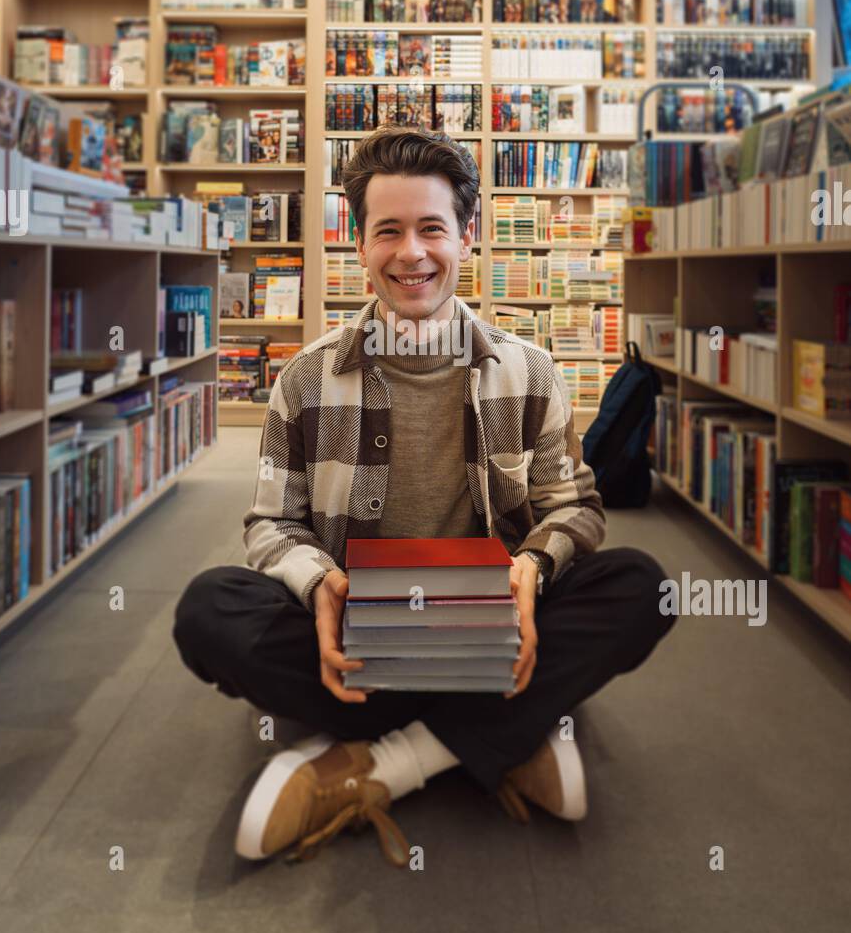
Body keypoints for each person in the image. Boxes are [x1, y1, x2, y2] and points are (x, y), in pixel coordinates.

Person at [174, 125, 674, 868]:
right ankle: (503, 734)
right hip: (358, 629)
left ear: (467, 237)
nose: (411, 253)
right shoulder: (305, 380)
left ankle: (378, 761)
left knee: (643, 587)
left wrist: (531, 570)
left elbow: (575, 509)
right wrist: (320, 585)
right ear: (360, 245)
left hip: (489, 628)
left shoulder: (530, 372)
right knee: (209, 609)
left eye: (432, 228)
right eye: (389, 232)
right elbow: (272, 523)